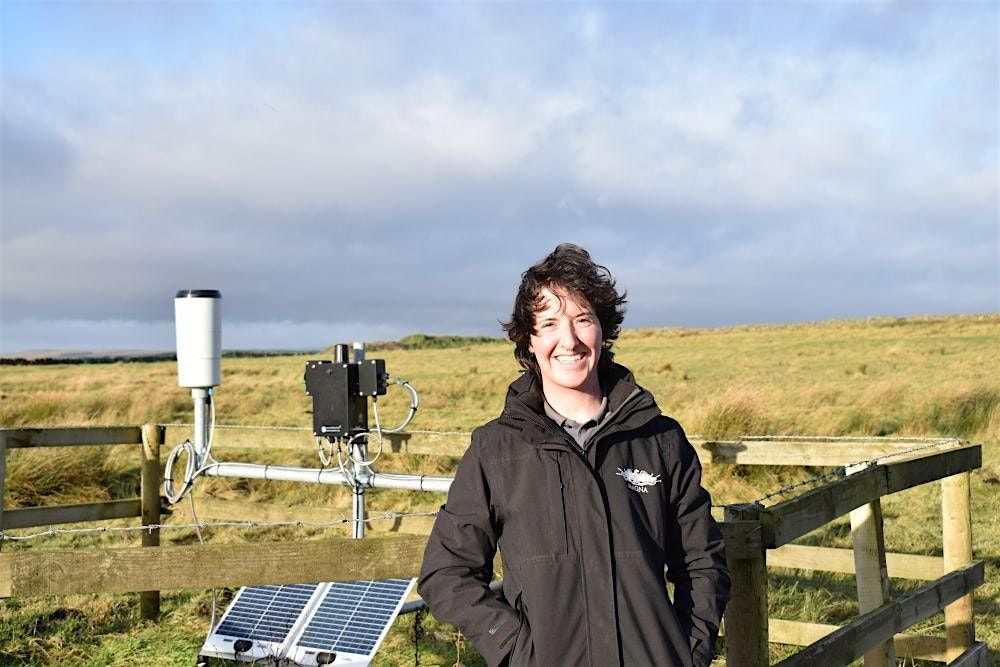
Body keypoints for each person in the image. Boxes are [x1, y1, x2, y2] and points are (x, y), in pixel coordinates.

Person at [418, 244, 730, 667]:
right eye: (548, 324)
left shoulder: (660, 439)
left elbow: (702, 561)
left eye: (582, 319)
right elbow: (446, 573)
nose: (568, 340)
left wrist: (688, 651)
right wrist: (514, 649)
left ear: (603, 329)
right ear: (529, 342)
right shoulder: (495, 449)